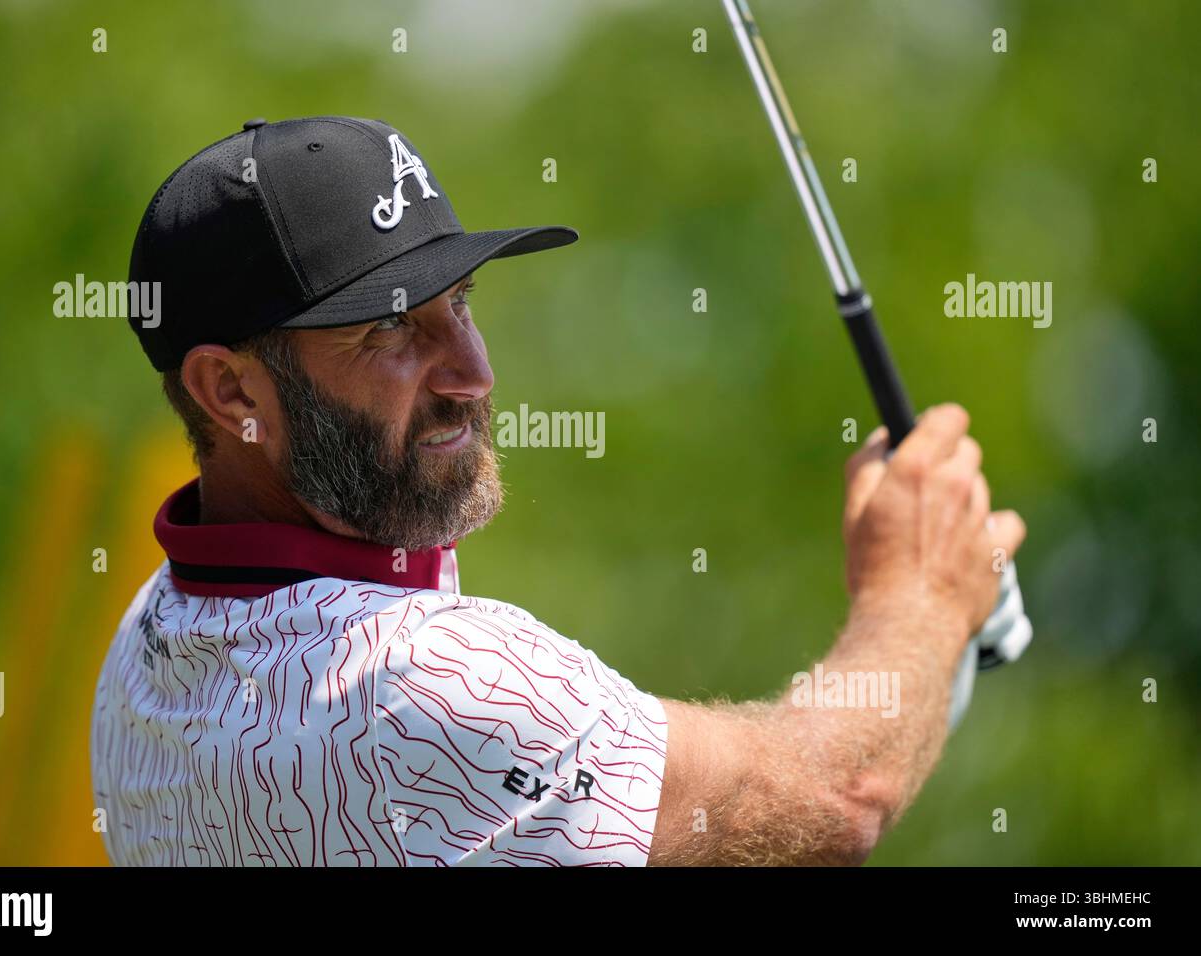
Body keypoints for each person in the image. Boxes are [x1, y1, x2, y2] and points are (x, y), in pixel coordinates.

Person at [91, 116, 1026, 866]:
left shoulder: (142, 647)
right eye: (387, 330)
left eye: (459, 302)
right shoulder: (430, 683)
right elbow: (833, 804)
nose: (471, 372)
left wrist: (936, 643)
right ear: (232, 390)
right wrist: (923, 593)